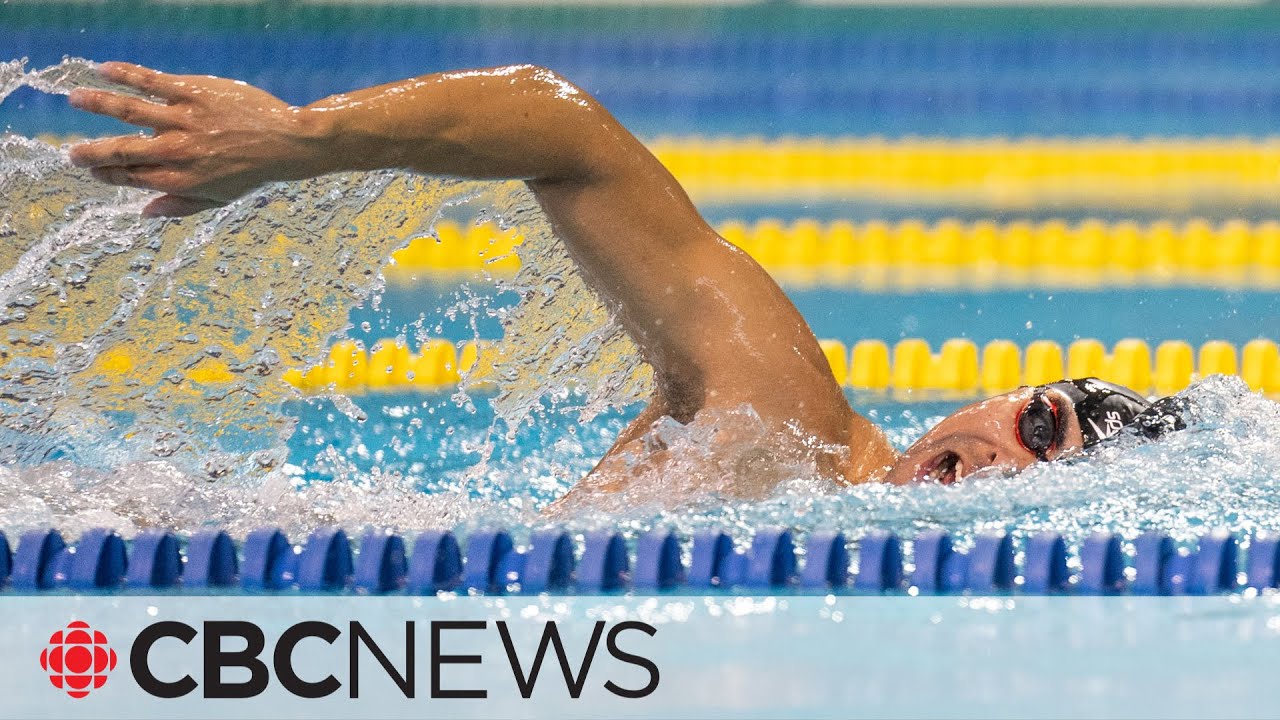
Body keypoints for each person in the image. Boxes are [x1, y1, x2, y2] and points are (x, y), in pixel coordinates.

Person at [67, 62, 1178, 503]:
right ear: (997, 396)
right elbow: (569, 133)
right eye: (1039, 422)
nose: (1009, 460)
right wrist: (303, 137)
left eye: (1048, 471)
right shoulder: (790, 419)